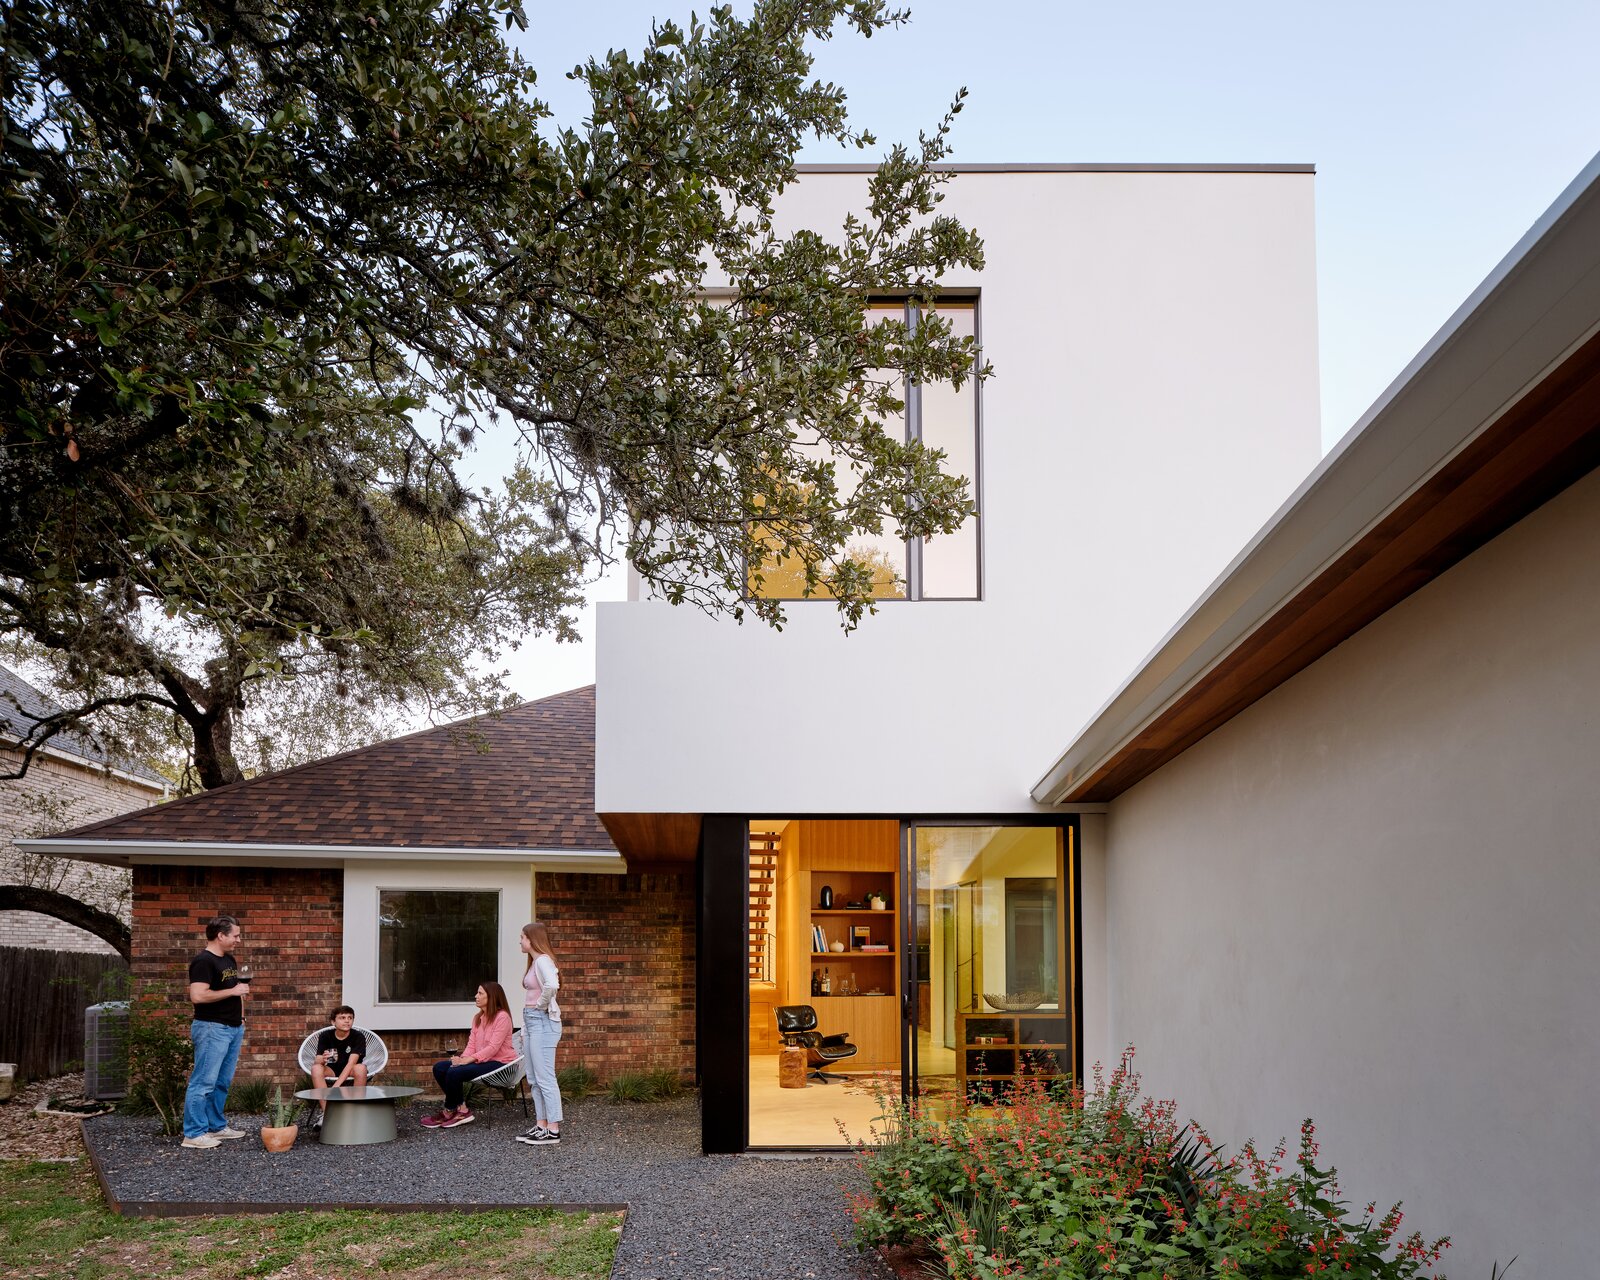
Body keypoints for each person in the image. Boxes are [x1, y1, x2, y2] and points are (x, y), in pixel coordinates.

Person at [182, 914, 251, 1149]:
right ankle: (193, 1133)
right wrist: (232, 993)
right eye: (235, 935)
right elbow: (198, 996)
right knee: (203, 1082)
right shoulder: (203, 961)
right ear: (220, 935)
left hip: (232, 1028)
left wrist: (241, 1017)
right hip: (212, 1028)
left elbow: (238, 990)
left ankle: (216, 1126)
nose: (238, 940)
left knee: (222, 1082)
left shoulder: (229, 960)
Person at [422, 981, 518, 1129]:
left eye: (480, 993)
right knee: (440, 1068)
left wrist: (468, 1060)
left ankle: (449, 1110)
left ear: (491, 997)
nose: (476, 996)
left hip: (501, 1063)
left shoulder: (502, 1017)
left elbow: (493, 1048)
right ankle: (462, 1109)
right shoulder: (477, 1018)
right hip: (482, 1061)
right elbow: (472, 1045)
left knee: (455, 1072)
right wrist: (461, 1059)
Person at [514, 921, 564, 1146]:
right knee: (533, 1078)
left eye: (523, 937)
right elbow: (528, 1002)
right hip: (532, 1024)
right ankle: (541, 1124)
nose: (520, 941)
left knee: (545, 1078)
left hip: (544, 1024)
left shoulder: (543, 960)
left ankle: (553, 1129)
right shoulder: (535, 962)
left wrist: (541, 1006)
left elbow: (552, 986)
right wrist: (525, 1030)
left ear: (532, 939)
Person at [309, 1004, 369, 1129]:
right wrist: (322, 1058)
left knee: (361, 1068)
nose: (347, 1020)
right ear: (333, 1021)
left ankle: (355, 1111)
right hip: (332, 1069)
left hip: (350, 1069)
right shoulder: (325, 1036)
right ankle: (327, 1112)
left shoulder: (358, 1036)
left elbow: (351, 1063)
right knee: (316, 1068)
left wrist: (335, 1087)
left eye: (350, 1017)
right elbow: (317, 1058)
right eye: (342, 1017)